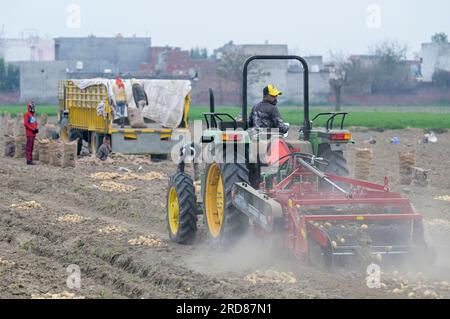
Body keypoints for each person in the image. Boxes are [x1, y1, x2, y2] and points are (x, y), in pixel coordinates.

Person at [24, 101, 39, 165]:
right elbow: (26, 124)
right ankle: (28, 160)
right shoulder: (27, 114)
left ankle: (31, 159)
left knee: (32, 147)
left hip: (33, 133)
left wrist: (36, 129)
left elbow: (35, 123)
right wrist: (33, 129)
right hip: (29, 133)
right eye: (32, 107)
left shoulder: (33, 115)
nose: (33, 108)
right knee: (29, 147)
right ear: (29, 107)